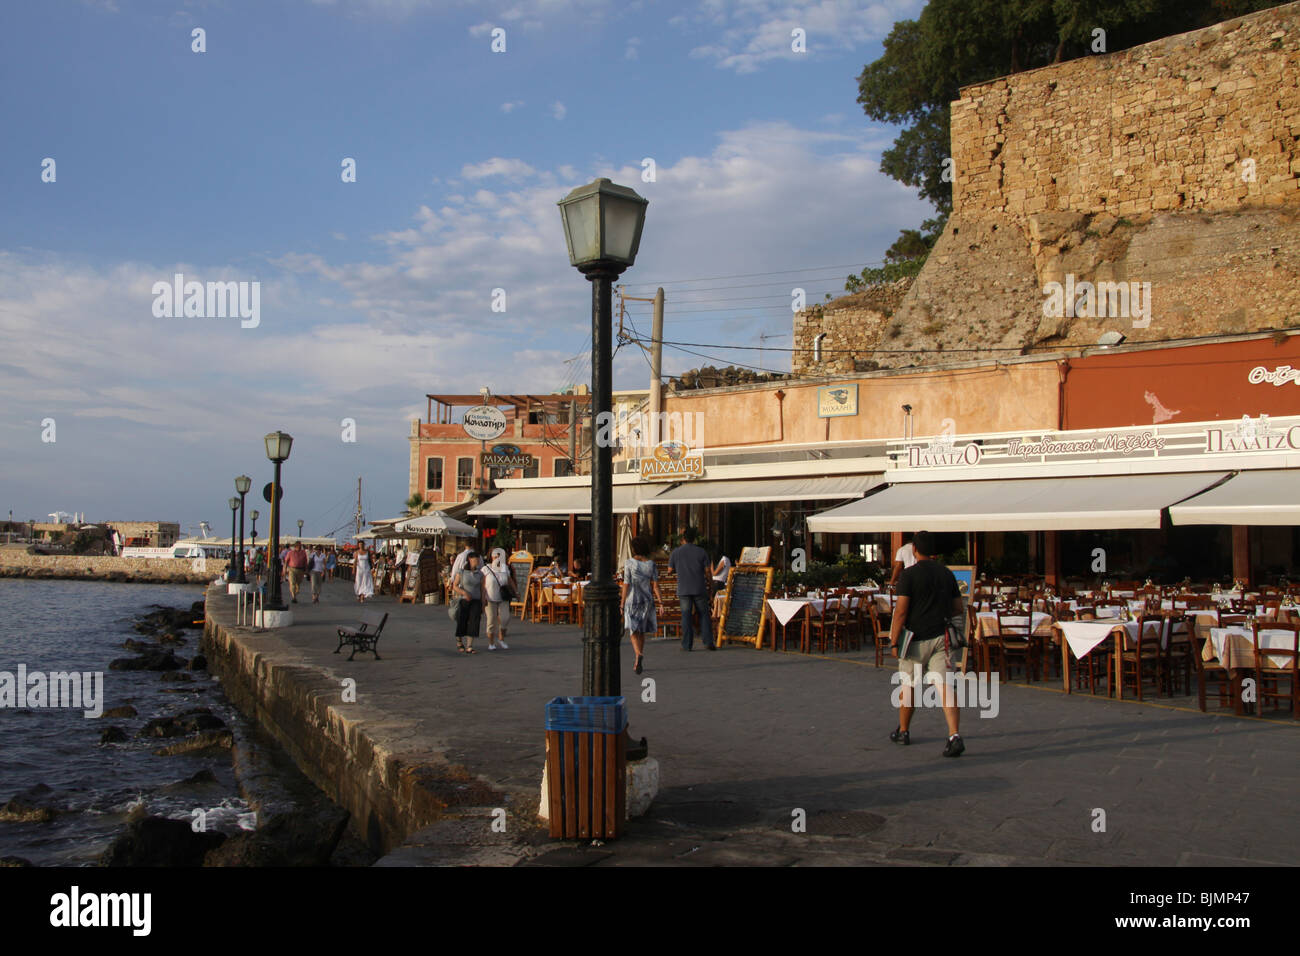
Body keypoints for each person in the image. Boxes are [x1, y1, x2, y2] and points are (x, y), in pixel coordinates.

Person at [888, 530, 965, 757]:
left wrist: (893, 641)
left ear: (914, 550)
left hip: (914, 639)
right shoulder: (946, 574)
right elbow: (958, 608)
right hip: (942, 637)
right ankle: (954, 735)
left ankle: (903, 731)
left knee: (909, 686)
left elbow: (901, 611)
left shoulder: (909, 575)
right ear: (934, 551)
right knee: (945, 687)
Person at [621, 535, 663, 675]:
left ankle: (638, 654)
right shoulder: (651, 564)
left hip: (632, 600)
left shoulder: (629, 563)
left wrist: (621, 604)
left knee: (633, 630)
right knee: (642, 630)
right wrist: (661, 602)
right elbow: (656, 586)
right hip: (647, 600)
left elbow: (626, 585)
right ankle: (638, 657)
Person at [669, 528, 714, 651]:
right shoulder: (701, 552)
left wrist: (678, 569)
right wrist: (711, 585)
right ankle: (708, 641)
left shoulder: (676, 552)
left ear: (683, 538)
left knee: (686, 616)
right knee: (704, 614)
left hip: (683, 588)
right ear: (694, 539)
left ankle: (687, 644)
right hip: (699, 587)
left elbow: (669, 570)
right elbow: (707, 571)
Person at [482, 548, 515, 650]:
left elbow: (510, 581)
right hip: (490, 598)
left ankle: (501, 638)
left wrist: (516, 592)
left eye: (499, 557)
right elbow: (482, 585)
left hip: (503, 597)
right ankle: (491, 643)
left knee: (505, 618)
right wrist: (483, 598)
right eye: (495, 557)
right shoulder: (486, 569)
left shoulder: (505, 568)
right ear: (491, 557)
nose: (497, 559)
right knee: (491, 621)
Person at [453, 551, 484, 654]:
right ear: (470, 560)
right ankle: (459, 641)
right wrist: (463, 592)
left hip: (476, 600)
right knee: (462, 620)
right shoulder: (461, 572)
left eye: (478, 560)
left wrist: (483, 603)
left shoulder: (480, 574)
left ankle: (469, 646)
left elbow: (483, 589)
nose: (477, 562)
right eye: (476, 560)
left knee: (474, 621)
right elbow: (455, 585)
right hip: (464, 600)